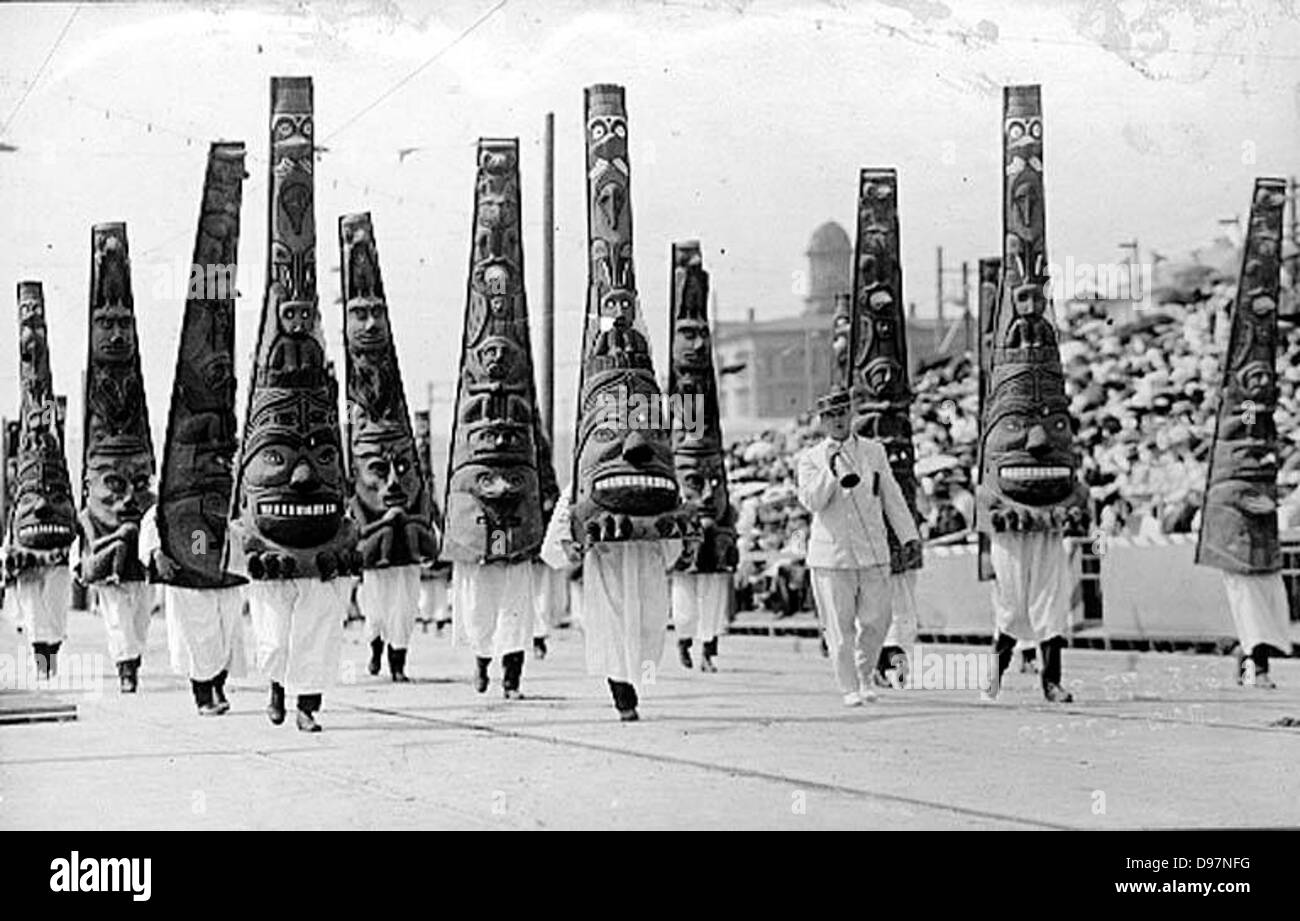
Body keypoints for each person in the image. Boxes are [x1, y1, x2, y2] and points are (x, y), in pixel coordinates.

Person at [796, 389, 921, 706]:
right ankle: (850, 686)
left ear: (850, 414)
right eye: (830, 416)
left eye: (841, 413)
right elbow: (812, 502)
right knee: (839, 628)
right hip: (831, 556)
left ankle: (865, 676)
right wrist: (831, 471)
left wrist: (908, 536)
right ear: (822, 421)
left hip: (872, 550)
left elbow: (891, 494)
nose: (837, 421)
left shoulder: (873, 451)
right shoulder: (810, 458)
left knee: (878, 621)